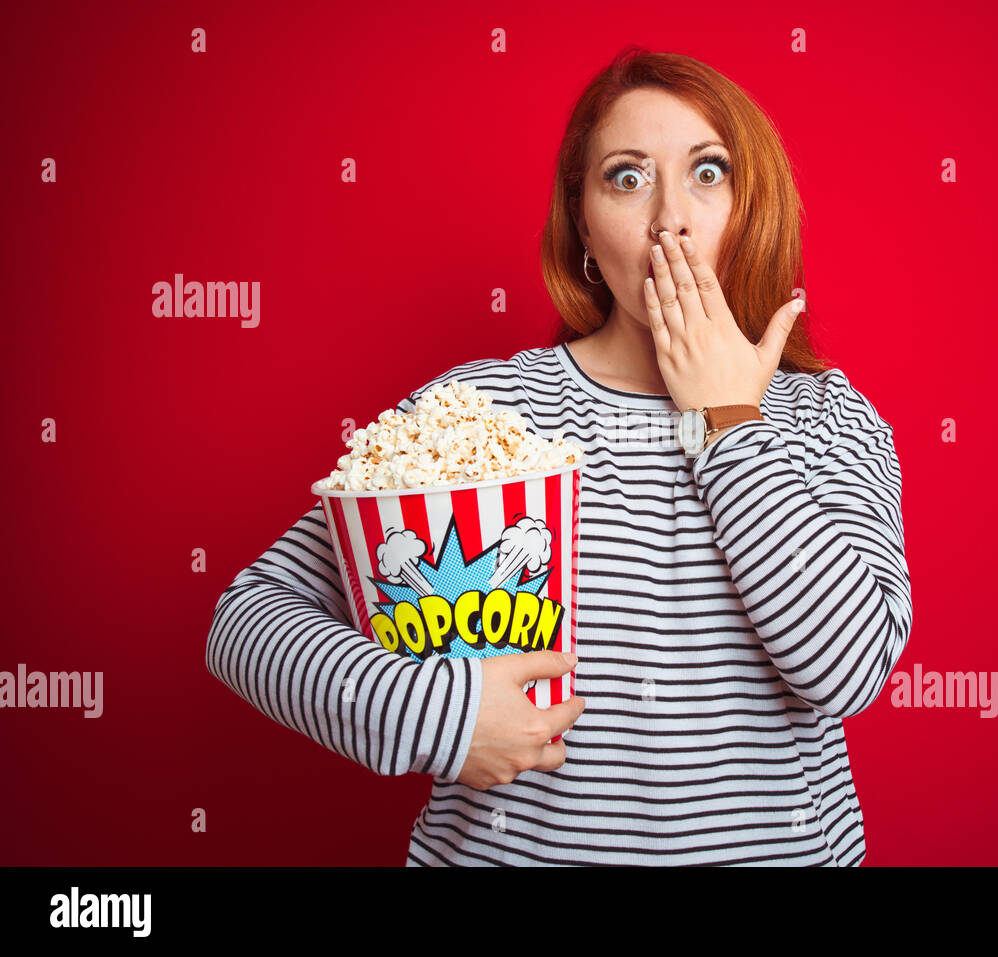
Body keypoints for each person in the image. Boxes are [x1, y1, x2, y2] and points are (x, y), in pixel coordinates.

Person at [206, 46, 912, 866]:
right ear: (583, 224)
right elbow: (247, 620)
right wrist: (439, 715)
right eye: (627, 177)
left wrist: (727, 420)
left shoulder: (829, 418)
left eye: (707, 172)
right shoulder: (482, 412)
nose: (670, 219)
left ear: (751, 205)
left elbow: (847, 670)